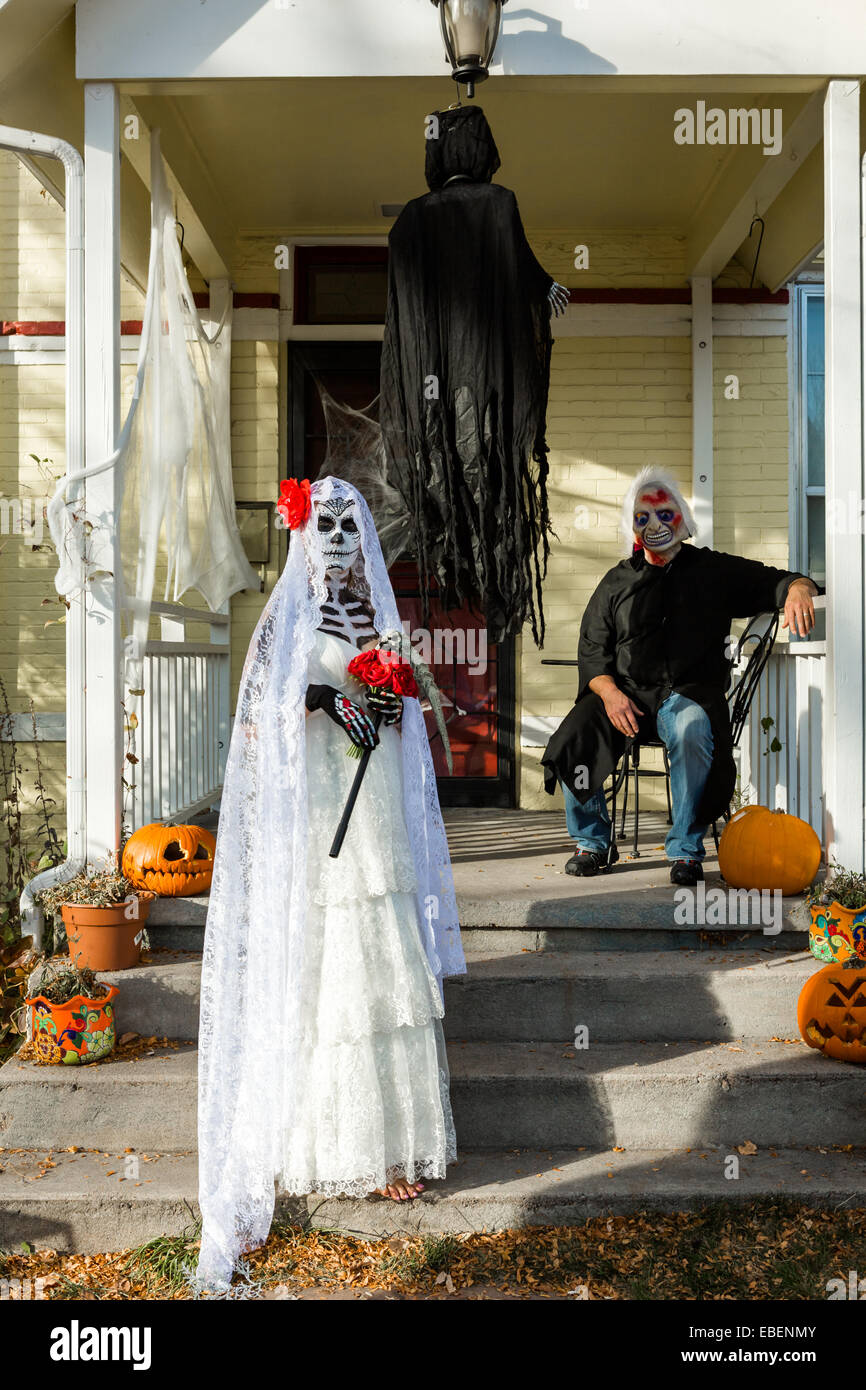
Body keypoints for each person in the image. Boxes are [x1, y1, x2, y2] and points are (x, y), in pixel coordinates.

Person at [193, 476, 465, 1293]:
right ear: (306, 534)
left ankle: (385, 1144)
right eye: (328, 524)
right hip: (318, 813)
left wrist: (386, 705)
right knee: (326, 956)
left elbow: (398, 706)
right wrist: (319, 699)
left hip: (372, 806)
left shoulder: (376, 619)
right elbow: (254, 721)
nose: (342, 539)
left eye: (353, 525)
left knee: (377, 956)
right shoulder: (289, 619)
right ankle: (327, 1139)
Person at [541, 466, 820, 886]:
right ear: (634, 529)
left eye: (665, 513)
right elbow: (592, 652)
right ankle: (593, 842)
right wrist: (610, 694)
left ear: (684, 520)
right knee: (571, 738)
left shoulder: (713, 571)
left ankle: (685, 850)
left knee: (691, 730)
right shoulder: (616, 582)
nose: (655, 524)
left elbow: (776, 581)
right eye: (644, 517)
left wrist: (799, 587)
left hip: (688, 694)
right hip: (625, 696)